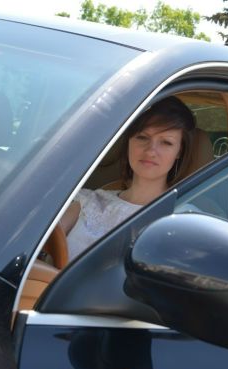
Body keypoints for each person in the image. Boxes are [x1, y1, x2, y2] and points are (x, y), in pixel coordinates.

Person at [60, 96, 196, 260]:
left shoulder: (184, 219)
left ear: (179, 151)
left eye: (166, 142)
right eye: (142, 137)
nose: (151, 151)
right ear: (128, 142)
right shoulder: (88, 201)